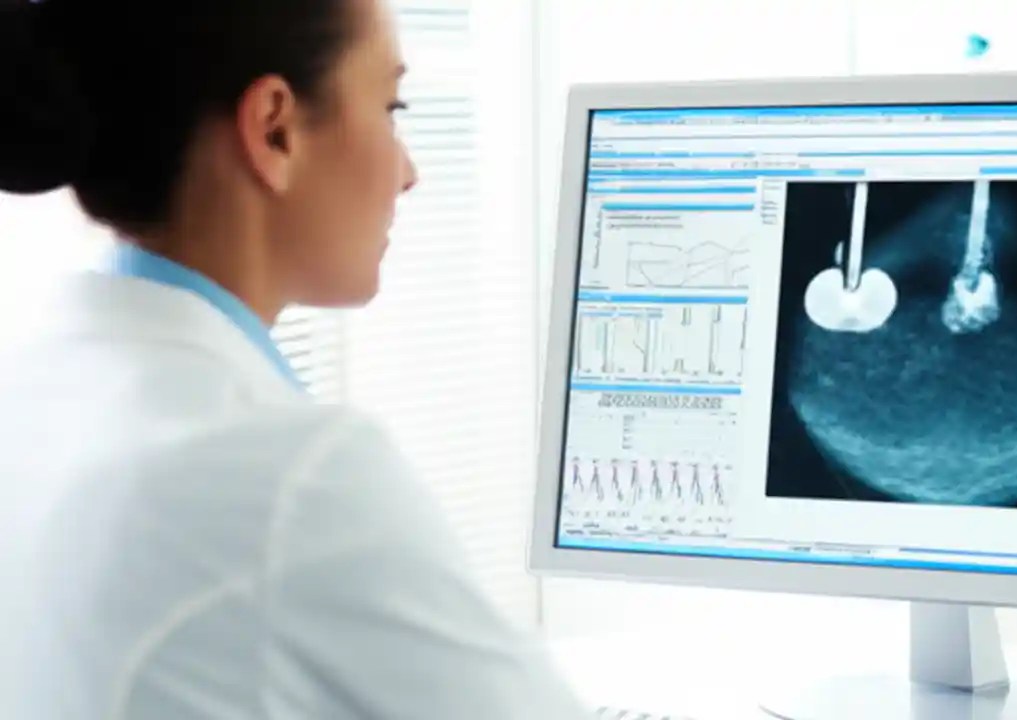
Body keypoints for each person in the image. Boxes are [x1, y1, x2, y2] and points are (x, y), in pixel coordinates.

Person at [0, 0, 589, 717]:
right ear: (274, 129)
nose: (409, 173)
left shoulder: (38, 374)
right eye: (389, 105)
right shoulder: (287, 474)